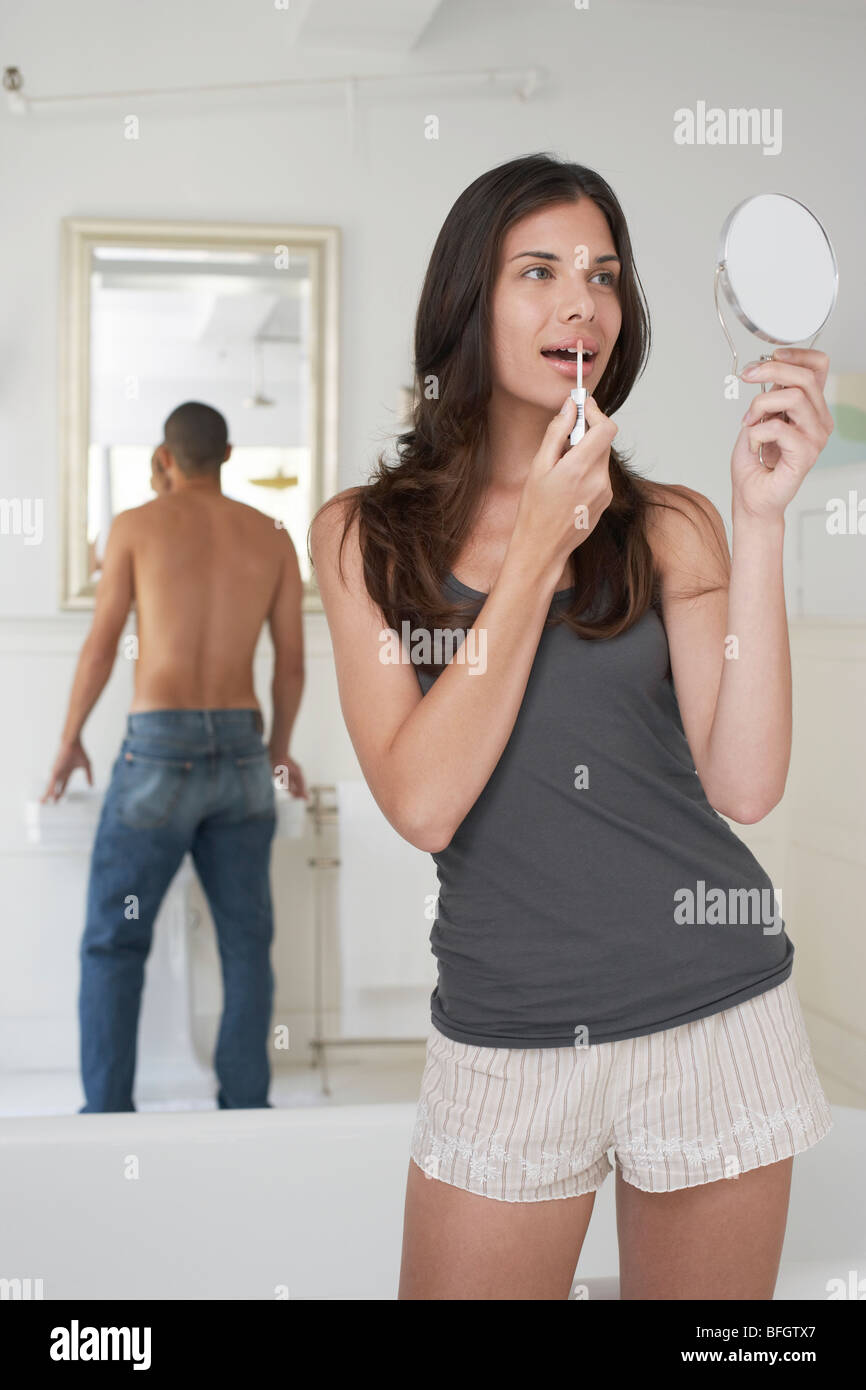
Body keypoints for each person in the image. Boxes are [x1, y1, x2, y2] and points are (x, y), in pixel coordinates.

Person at [309, 154, 835, 1300]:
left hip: (713, 1015)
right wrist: (537, 546)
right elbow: (421, 800)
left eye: (600, 274)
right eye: (535, 270)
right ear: (467, 300)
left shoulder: (674, 527)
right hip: (505, 1034)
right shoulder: (362, 535)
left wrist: (759, 520)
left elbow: (744, 785)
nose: (578, 300)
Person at [43, 401, 308, 1112]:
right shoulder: (273, 535)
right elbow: (290, 666)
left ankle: (107, 1116)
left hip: (157, 754)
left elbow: (102, 645)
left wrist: (70, 739)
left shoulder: (134, 526)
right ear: (228, 456)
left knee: (114, 944)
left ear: (165, 458)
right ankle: (246, 1108)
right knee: (246, 946)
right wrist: (280, 752)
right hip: (243, 756)